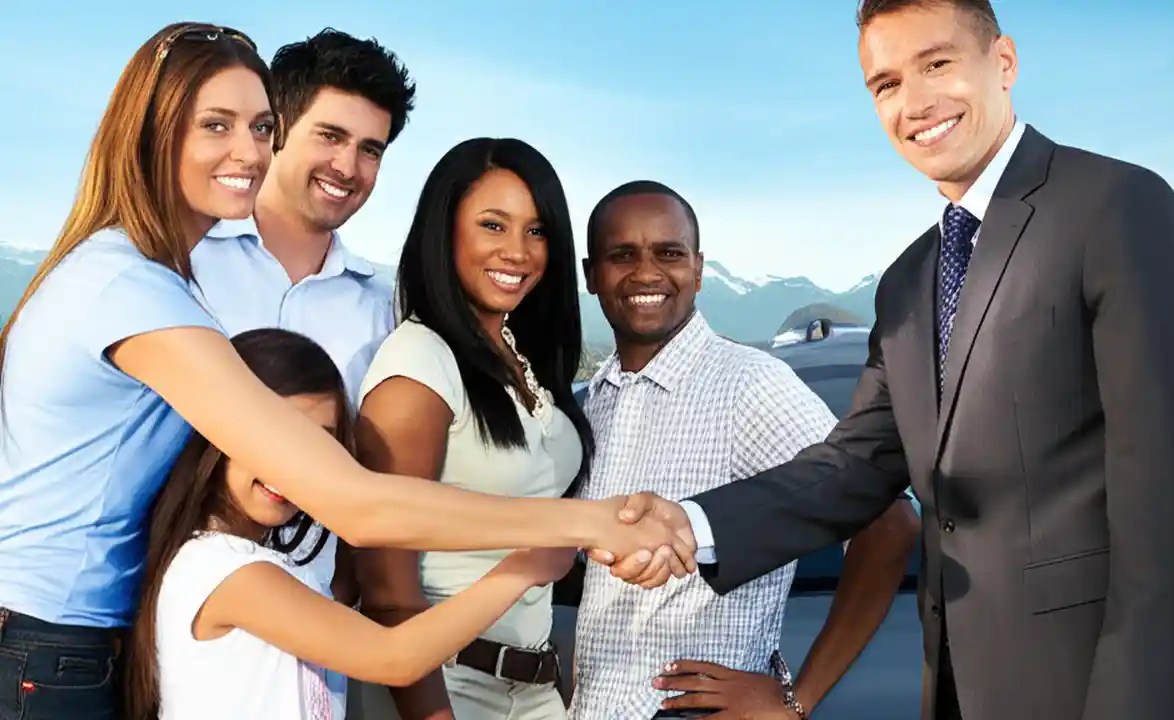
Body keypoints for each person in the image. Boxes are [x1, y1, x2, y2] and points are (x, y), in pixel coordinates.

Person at [0, 22, 692, 719]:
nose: (247, 150)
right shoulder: (136, 287)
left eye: (259, 127)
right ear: (153, 132)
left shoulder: (312, 301)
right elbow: (355, 500)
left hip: (224, 644)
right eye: (216, 125)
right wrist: (582, 524)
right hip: (64, 638)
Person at [604, 1, 1174, 719]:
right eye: (887, 84)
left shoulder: (1118, 207)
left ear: (1003, 62)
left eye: (937, 64)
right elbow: (855, 466)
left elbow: (1171, 519)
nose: (916, 103)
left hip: (1094, 688)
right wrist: (692, 526)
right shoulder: (910, 281)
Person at [568, 181, 920, 720]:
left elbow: (888, 522)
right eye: (622, 255)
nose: (646, 273)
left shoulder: (749, 386)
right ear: (592, 274)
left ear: (699, 270)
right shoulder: (593, 405)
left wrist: (795, 699)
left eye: (669, 253)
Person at [125, 328, 577, 720]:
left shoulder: (270, 565)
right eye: (278, 435)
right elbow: (393, 658)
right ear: (220, 429)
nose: (292, 465)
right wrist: (522, 569)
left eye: (318, 445)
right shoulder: (221, 570)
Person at [187, 28, 418, 717]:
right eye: (331, 136)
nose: (349, 165)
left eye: (370, 149)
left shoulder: (384, 313)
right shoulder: (183, 265)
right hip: (173, 621)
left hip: (309, 647)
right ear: (277, 128)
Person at [355, 138, 591, 720]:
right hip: (446, 689)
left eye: (537, 232)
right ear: (445, 229)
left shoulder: (515, 352)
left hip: (534, 685)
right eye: (493, 225)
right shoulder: (419, 364)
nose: (518, 252)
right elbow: (387, 591)